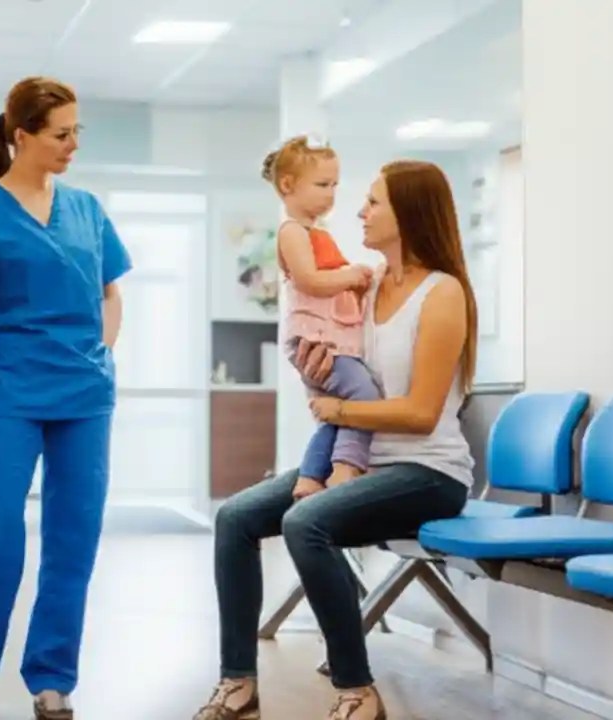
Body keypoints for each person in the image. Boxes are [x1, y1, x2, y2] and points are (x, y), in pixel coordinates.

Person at [192, 160, 478, 720]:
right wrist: (316, 372)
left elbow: (421, 414)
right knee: (236, 517)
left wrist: (339, 406)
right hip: (370, 463)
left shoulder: (442, 294)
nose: (359, 212)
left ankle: (357, 690)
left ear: (410, 213)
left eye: (373, 203)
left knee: (306, 520)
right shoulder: (364, 288)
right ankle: (239, 683)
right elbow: (333, 369)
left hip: (429, 473)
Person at [0, 76, 132, 720]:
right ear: (20, 137)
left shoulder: (87, 209)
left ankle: (53, 675)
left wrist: (100, 352)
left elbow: (111, 293)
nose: (73, 144)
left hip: (85, 396)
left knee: (73, 536)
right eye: (61, 134)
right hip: (7, 392)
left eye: (78, 131)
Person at [264, 136, 381, 502]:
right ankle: (346, 467)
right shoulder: (292, 232)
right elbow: (309, 280)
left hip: (328, 338)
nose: (331, 194)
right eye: (321, 185)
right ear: (287, 185)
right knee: (362, 395)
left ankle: (311, 477)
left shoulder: (319, 232)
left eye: (334, 185)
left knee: (335, 415)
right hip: (315, 339)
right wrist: (350, 275)